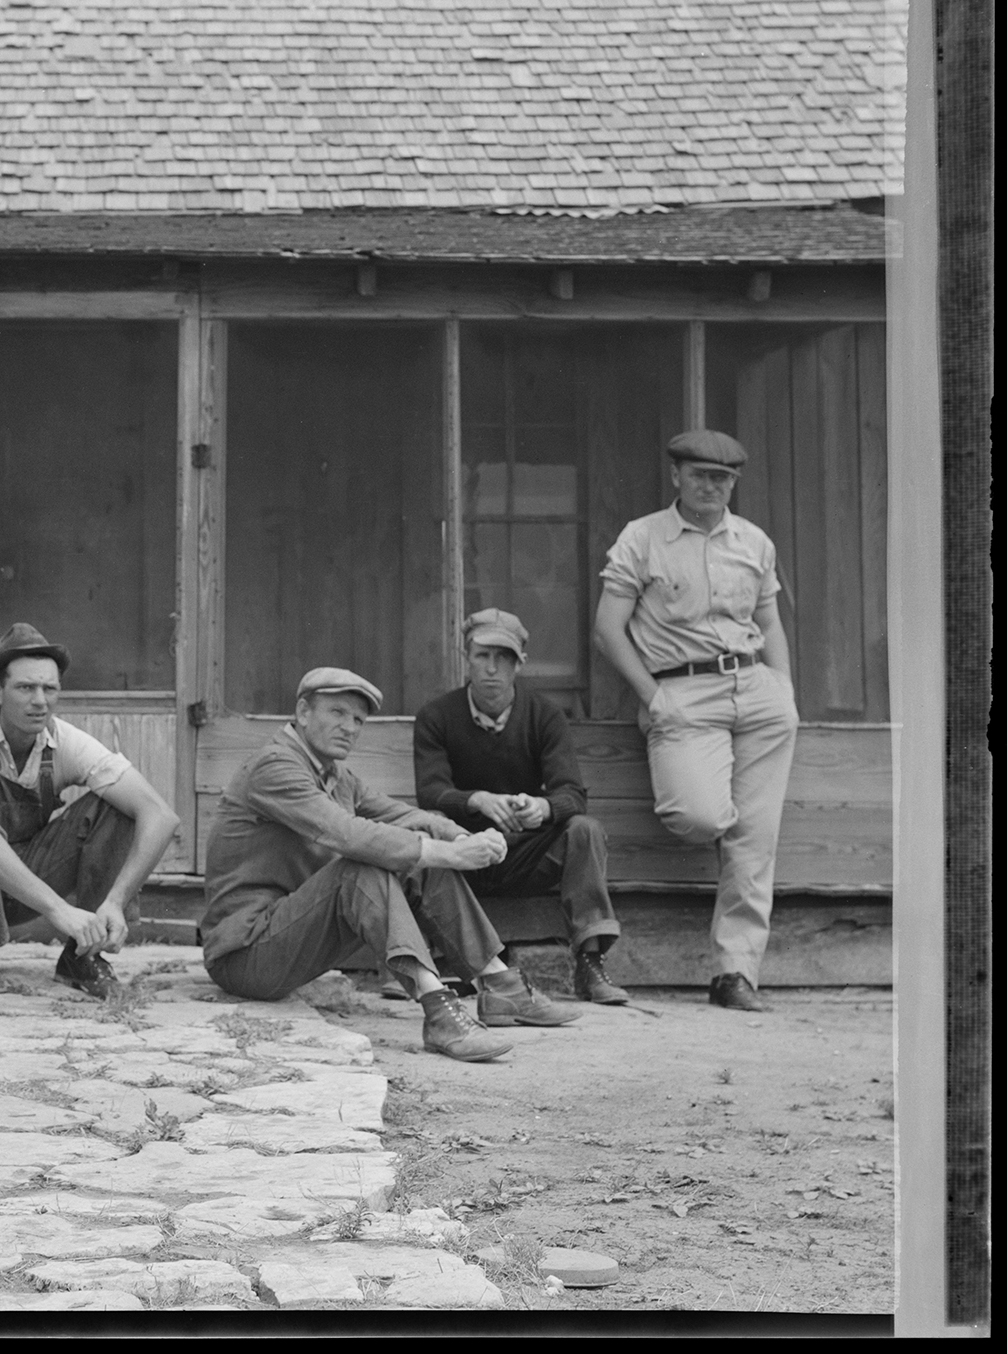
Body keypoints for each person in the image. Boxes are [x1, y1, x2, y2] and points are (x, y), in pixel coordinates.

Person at [200, 668, 577, 1063]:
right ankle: (439, 1011)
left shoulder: (335, 775)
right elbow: (347, 834)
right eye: (338, 713)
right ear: (303, 711)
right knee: (362, 867)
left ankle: (502, 985)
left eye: (359, 720)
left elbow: (400, 815)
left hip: (288, 935)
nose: (349, 727)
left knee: (416, 857)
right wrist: (449, 853)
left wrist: (462, 838)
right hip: (245, 956)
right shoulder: (275, 767)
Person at [594, 429, 798, 1013]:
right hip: (684, 693)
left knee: (755, 844)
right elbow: (609, 630)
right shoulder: (642, 538)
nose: (712, 486)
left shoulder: (753, 542)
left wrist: (784, 690)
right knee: (700, 816)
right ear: (677, 477)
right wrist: (652, 697)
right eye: (701, 475)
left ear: (735, 482)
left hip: (758, 693)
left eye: (724, 478)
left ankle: (735, 974)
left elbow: (770, 619)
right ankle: (733, 958)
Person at [0, 624, 183, 999]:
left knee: (116, 807)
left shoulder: (65, 741)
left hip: (21, 884)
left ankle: (82, 954)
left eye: (50, 689)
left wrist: (116, 900)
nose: (40, 700)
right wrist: (59, 910)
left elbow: (160, 815)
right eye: (26, 688)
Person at [414, 609, 628, 1007]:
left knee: (584, 828)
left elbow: (572, 792)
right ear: (466, 655)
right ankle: (423, 960)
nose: (492, 668)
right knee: (425, 828)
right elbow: (430, 790)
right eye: (482, 656)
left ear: (519, 664)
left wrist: (543, 808)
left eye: (504, 657)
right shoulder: (437, 717)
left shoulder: (544, 716)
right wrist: (476, 799)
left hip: (526, 856)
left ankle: (590, 962)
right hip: (464, 856)